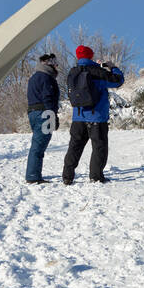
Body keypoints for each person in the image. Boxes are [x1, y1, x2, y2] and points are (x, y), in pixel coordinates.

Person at [61, 46, 124, 185]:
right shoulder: (97, 71)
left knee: (74, 147)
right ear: (91, 56)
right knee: (99, 147)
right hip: (96, 117)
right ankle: (96, 176)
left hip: (78, 116)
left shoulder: (72, 72)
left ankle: (67, 176)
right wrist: (112, 67)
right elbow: (118, 80)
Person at [25, 53, 60, 183]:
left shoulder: (34, 77)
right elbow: (48, 98)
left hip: (33, 113)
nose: (57, 66)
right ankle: (33, 176)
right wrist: (53, 115)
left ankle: (33, 173)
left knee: (37, 143)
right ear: (49, 64)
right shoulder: (46, 78)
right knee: (39, 146)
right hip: (44, 113)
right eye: (55, 63)